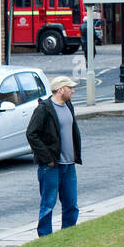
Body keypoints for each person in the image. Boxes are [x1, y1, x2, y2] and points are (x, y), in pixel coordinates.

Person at [25, 75, 81, 237]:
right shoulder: (43, 109)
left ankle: (68, 235)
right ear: (61, 89)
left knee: (71, 205)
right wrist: (47, 158)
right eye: (70, 88)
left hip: (69, 165)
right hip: (51, 167)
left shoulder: (68, 105)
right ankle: (45, 237)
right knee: (48, 205)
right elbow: (31, 134)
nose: (73, 91)